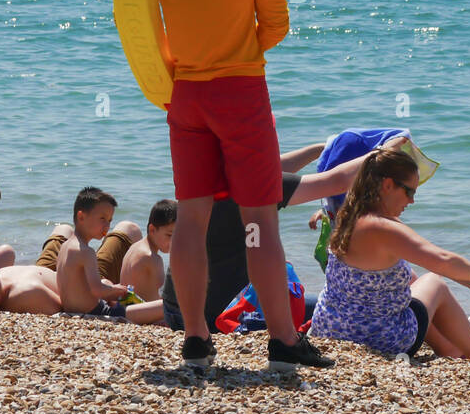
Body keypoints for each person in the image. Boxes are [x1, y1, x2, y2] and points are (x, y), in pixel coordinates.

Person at [157, 0, 332, 371]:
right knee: (259, 220)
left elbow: (137, 15)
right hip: (239, 91)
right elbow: (276, 24)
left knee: (191, 218)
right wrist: (239, 48)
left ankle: (195, 337)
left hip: (183, 92)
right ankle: (282, 340)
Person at [158, 136, 405, 332]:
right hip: (216, 316)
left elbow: (274, 169)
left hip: (176, 309)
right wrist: (382, 153)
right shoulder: (257, 188)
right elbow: (339, 180)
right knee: (325, 308)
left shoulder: (207, 181)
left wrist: (324, 149)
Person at [311, 149, 470, 365]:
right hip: (375, 339)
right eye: (409, 192)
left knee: (411, 278)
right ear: (388, 185)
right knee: (434, 284)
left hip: (329, 329)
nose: (411, 201)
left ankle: (446, 347)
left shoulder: (351, 214)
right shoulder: (382, 228)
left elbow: (429, 260)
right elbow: (441, 259)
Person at [51, 188, 163, 324]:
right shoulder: (86, 251)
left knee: (107, 283)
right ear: (81, 217)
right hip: (98, 313)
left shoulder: (66, 246)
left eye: (110, 220)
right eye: (102, 219)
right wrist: (118, 291)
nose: (107, 225)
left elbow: (86, 286)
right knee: (163, 306)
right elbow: (97, 290)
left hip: (75, 309)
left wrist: (111, 289)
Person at [118, 199, 176, 302]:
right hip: (141, 313)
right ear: (152, 229)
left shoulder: (135, 247)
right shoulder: (152, 258)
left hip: (126, 306)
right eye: (169, 235)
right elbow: (163, 297)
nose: (174, 241)